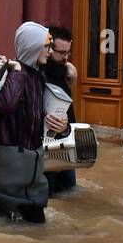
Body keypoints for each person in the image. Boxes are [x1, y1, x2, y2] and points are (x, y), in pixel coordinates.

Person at [0, 22, 69, 224]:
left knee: (37, 227)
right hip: (5, 170)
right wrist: (16, 71)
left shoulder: (39, 77)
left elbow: (45, 116)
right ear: (32, 47)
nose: (49, 51)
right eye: (46, 46)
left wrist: (63, 127)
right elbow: (7, 106)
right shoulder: (11, 73)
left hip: (30, 172)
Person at [42, 25, 79, 196]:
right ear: (48, 48)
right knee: (49, 196)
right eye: (62, 53)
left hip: (67, 140)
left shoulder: (65, 70)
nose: (66, 58)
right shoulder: (37, 72)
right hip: (46, 147)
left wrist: (72, 76)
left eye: (68, 53)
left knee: (70, 194)